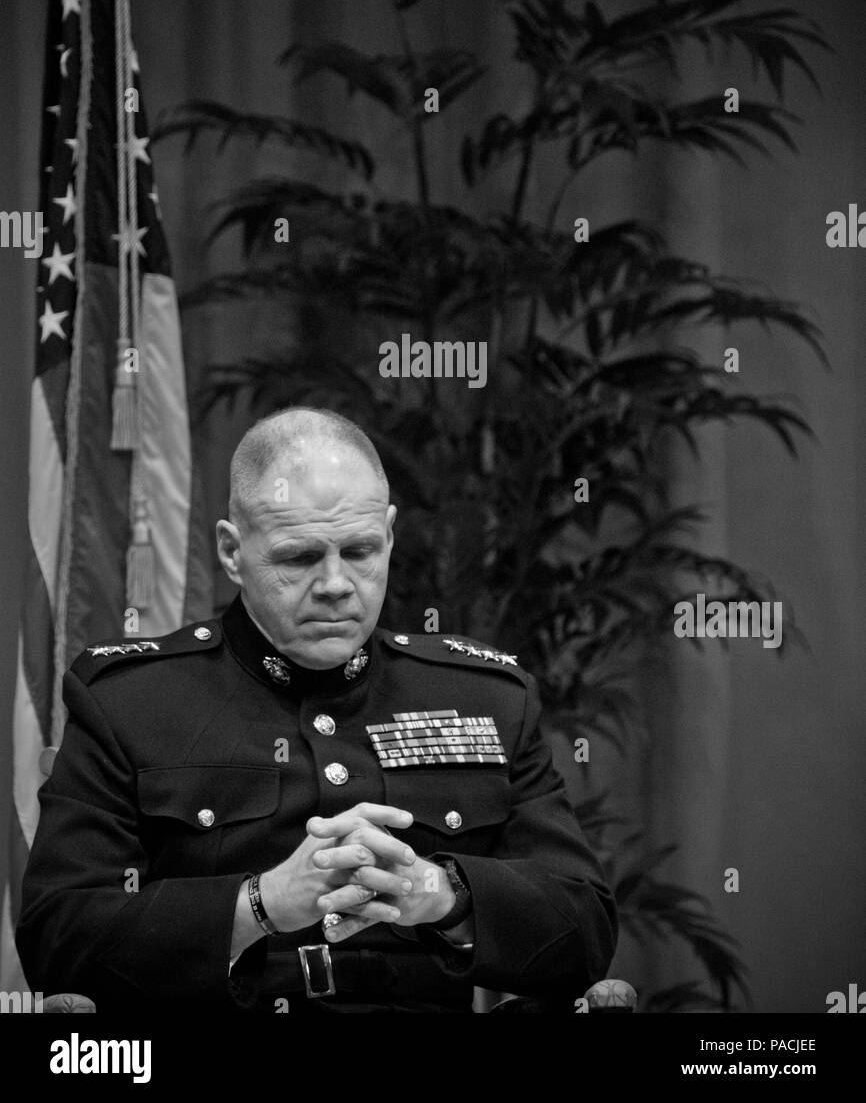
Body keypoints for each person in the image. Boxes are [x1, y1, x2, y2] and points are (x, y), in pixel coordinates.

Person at [16, 407, 617, 1013]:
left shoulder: (485, 698)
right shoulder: (131, 701)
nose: (335, 583)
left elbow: (585, 927)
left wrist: (442, 893)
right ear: (231, 551)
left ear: (388, 535)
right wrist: (261, 903)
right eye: (300, 558)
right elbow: (59, 938)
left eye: (359, 550)